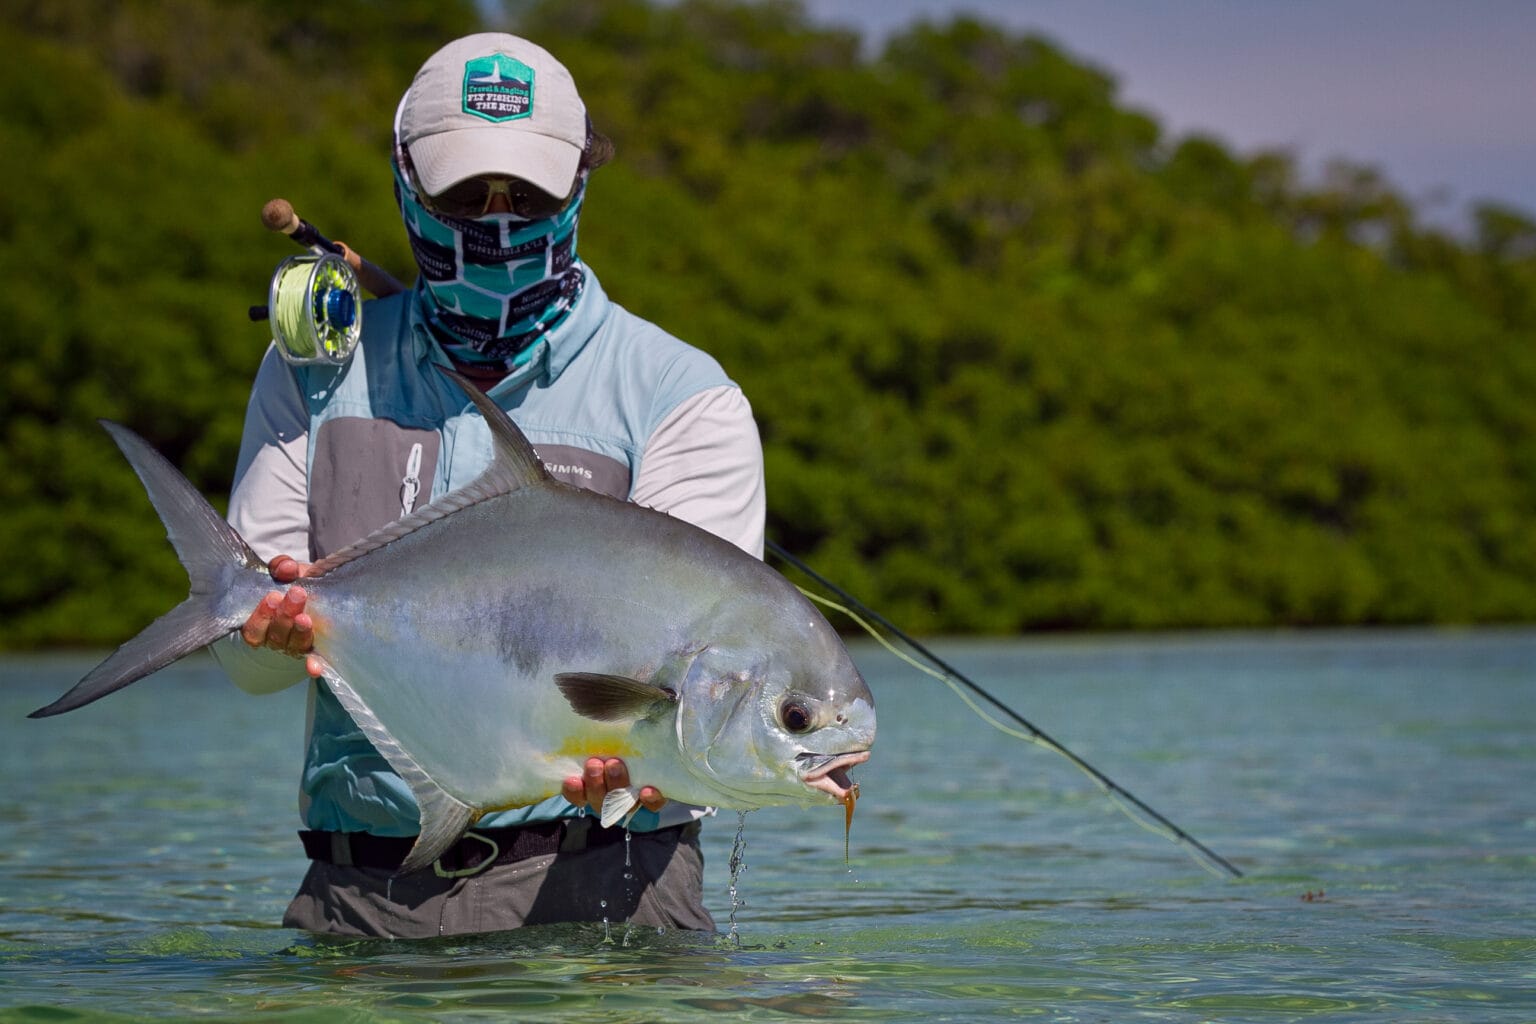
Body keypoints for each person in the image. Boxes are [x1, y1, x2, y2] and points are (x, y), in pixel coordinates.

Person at [210, 32, 765, 939]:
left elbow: (704, 700)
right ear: (406, 183)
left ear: (581, 183)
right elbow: (243, 664)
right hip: (360, 901)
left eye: (529, 194)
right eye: (466, 193)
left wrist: (637, 763)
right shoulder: (313, 371)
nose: (499, 218)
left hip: (611, 894)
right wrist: (265, 633)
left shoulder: (682, 398)